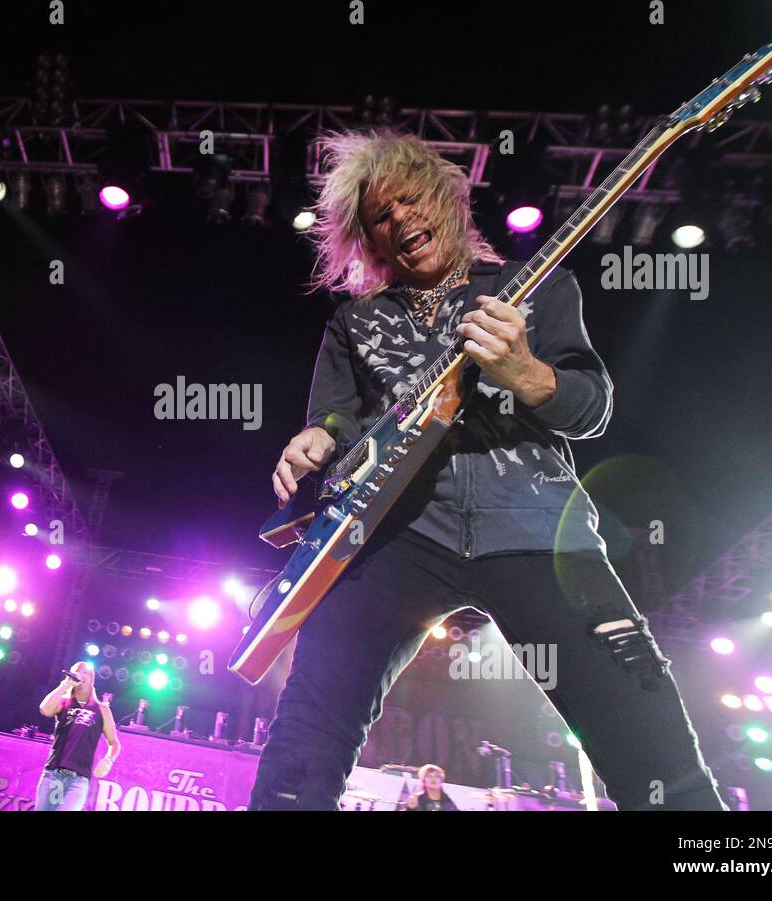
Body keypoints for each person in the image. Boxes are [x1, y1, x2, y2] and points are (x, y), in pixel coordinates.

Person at [251, 129, 725, 812]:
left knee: (644, 722)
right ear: (371, 242)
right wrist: (317, 441)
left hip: (539, 527)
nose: (401, 219)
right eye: (382, 217)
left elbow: (591, 407)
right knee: (309, 723)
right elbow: (337, 422)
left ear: (447, 197)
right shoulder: (353, 323)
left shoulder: (536, 286)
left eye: (411, 199)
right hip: (399, 534)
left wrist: (527, 374)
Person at [34, 661, 120, 811]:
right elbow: (45, 709)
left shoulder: (102, 710)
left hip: (78, 780)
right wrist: (65, 685)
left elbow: (114, 743)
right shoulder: (63, 703)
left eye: (84, 672)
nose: (80, 675)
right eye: (76, 671)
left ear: (92, 679)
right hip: (54, 773)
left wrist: (109, 759)